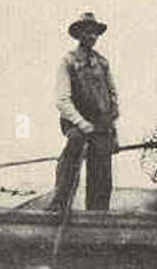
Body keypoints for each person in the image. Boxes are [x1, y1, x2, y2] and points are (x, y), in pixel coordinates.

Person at [50, 11, 119, 213]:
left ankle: (97, 216)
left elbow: (112, 97)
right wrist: (81, 123)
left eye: (95, 33)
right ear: (79, 35)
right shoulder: (68, 62)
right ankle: (59, 204)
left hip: (100, 125)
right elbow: (62, 100)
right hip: (76, 125)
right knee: (75, 144)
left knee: (102, 173)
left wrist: (112, 130)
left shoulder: (103, 63)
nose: (92, 37)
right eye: (87, 32)